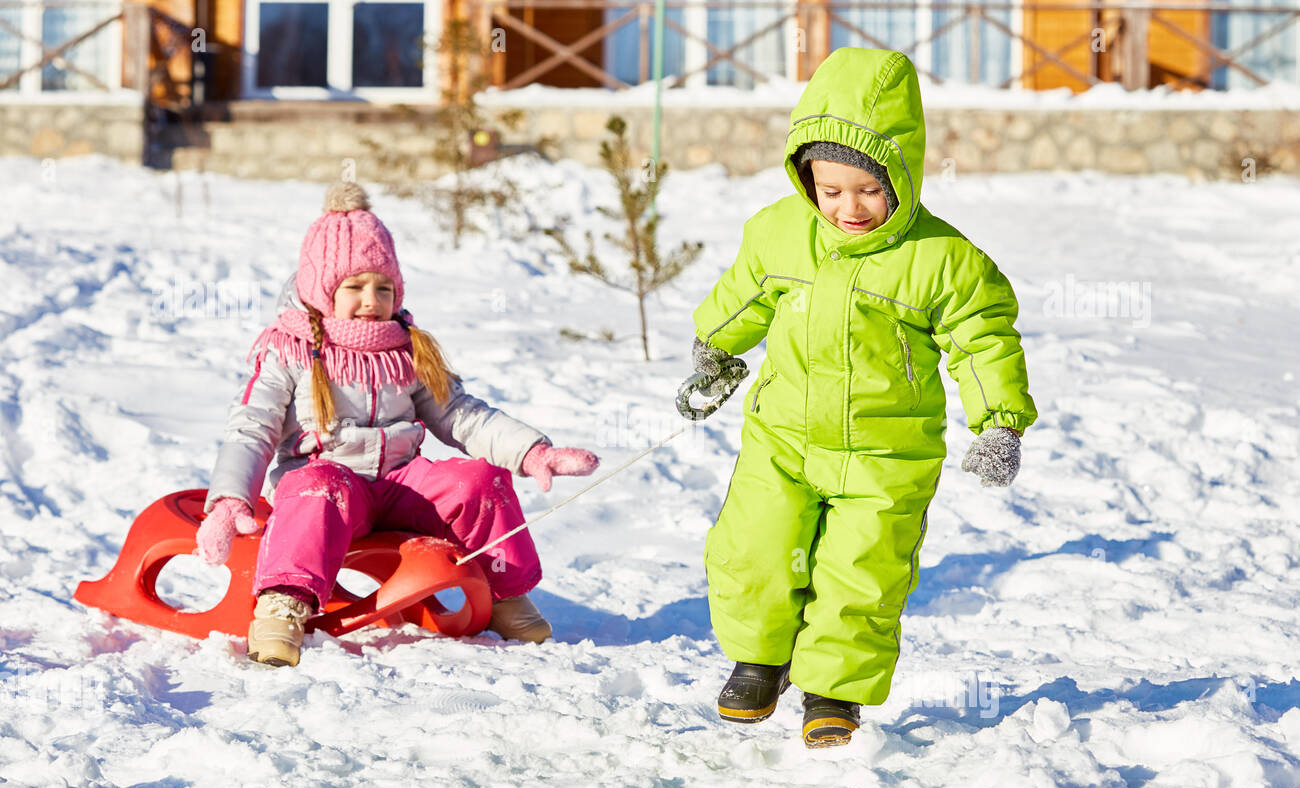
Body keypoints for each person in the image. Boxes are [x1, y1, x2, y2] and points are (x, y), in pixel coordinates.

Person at [684, 48, 1037, 748]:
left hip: (886, 455)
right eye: (831, 190)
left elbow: (982, 341)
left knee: (861, 572)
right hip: (782, 438)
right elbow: (743, 297)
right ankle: (759, 658)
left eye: (868, 191)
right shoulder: (778, 231)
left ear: (901, 174)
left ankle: (833, 691)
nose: (849, 208)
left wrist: (999, 424)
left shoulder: (945, 261)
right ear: (805, 177)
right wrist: (715, 351)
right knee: (752, 548)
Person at [197, 183, 599, 666]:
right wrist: (228, 501)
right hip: (331, 488)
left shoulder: (407, 348)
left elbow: (460, 413)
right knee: (315, 485)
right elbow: (252, 428)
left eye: (383, 288)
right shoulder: (290, 348)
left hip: (401, 483)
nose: (372, 300)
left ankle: (504, 592)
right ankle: (283, 603)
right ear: (322, 290)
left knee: (479, 481)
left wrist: (532, 452)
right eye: (354, 287)